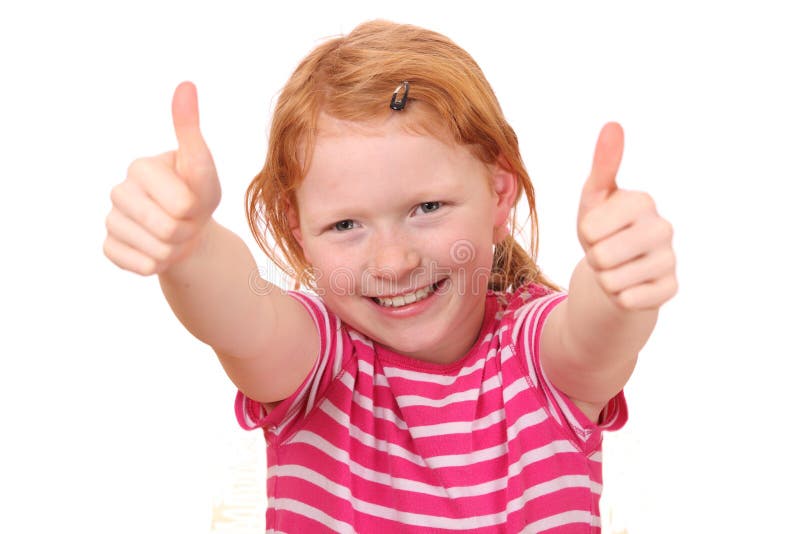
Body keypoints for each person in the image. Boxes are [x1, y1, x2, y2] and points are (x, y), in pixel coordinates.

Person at [103, 19, 677, 533]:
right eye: (346, 224)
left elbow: (592, 337)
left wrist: (615, 282)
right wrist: (190, 244)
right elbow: (238, 316)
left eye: (427, 208)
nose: (393, 261)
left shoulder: (536, 360)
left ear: (499, 196)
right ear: (296, 229)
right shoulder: (318, 362)